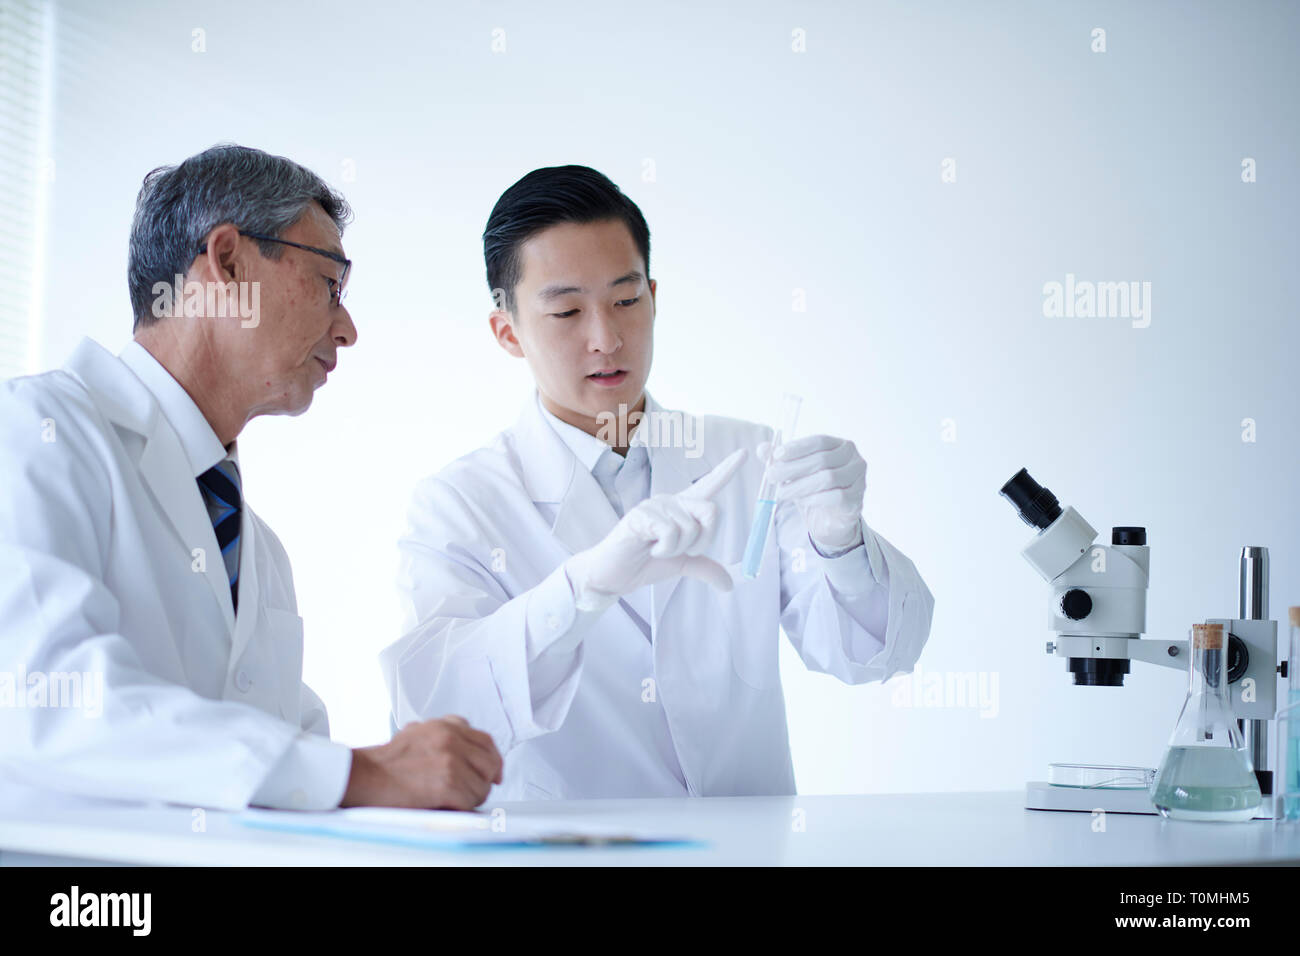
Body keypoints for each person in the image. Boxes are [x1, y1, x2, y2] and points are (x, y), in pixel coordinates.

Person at [381, 165, 934, 800]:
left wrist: (842, 545)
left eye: (626, 300)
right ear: (508, 332)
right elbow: (439, 710)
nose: (606, 338)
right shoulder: (460, 505)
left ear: (654, 296)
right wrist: (580, 590)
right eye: (565, 311)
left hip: (746, 853)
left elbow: (876, 654)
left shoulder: (748, 458)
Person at [0, 144, 501, 811]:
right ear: (228, 260)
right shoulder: (38, 431)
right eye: (330, 285)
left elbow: (280, 761)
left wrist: (402, 782)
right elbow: (44, 698)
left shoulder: (255, 545)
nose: (347, 329)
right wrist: (364, 776)